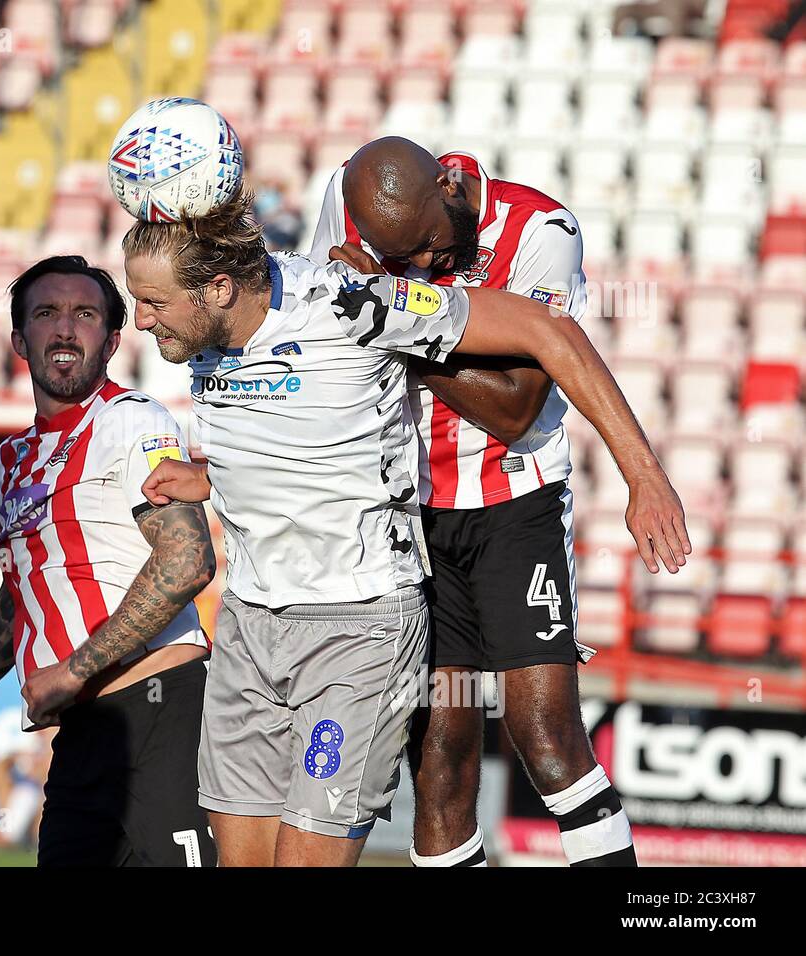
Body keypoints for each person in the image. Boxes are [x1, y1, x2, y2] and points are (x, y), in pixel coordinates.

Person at [124, 191, 688, 867]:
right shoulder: (221, 323)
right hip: (264, 615)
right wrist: (212, 476)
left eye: (152, 302)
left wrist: (644, 476)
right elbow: (305, 422)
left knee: (545, 738)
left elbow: (532, 370)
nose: (139, 319)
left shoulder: (362, 297)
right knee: (436, 771)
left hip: (418, 575)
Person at [309, 137, 639, 866]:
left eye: (429, 246)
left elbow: (515, 408)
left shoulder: (541, 232)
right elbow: (330, 332)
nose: (421, 266)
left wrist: (391, 321)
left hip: (512, 505)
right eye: (401, 257)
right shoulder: (349, 200)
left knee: (548, 740)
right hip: (409, 518)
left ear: (453, 189)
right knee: (440, 761)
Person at [0, 255, 219, 867]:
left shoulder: (132, 419)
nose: (63, 328)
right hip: (82, 734)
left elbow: (188, 560)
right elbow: (17, 607)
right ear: (17, 339)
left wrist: (74, 670)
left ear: (112, 341)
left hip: (161, 711)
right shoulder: (12, 458)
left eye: (83, 315)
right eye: (46, 313)